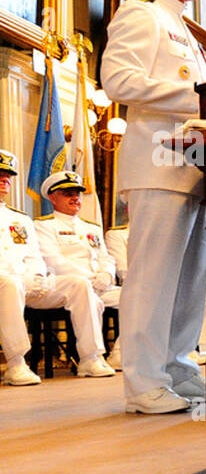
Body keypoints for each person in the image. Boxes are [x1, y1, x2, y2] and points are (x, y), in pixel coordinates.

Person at [101, 0, 206, 414]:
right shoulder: (141, 15)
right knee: (153, 278)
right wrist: (197, 97)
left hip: (195, 169)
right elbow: (118, 82)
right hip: (157, 165)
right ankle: (143, 383)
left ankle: (177, 369)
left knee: (189, 282)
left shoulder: (185, 31)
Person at [0, 152, 114, 384]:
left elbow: (34, 255)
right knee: (9, 283)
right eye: (0, 176)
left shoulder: (20, 220)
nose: (5, 181)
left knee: (78, 284)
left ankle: (90, 358)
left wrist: (37, 274)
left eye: (8, 177)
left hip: (28, 283)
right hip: (5, 284)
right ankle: (16, 363)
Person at [34, 171, 123, 367]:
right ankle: (91, 359)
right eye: (68, 193)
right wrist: (90, 278)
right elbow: (52, 261)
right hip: (71, 286)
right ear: (52, 198)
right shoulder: (43, 226)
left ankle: (120, 353)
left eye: (78, 193)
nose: (75, 198)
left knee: (139, 297)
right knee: (87, 295)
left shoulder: (91, 228)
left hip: (100, 286)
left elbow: (106, 257)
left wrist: (107, 275)